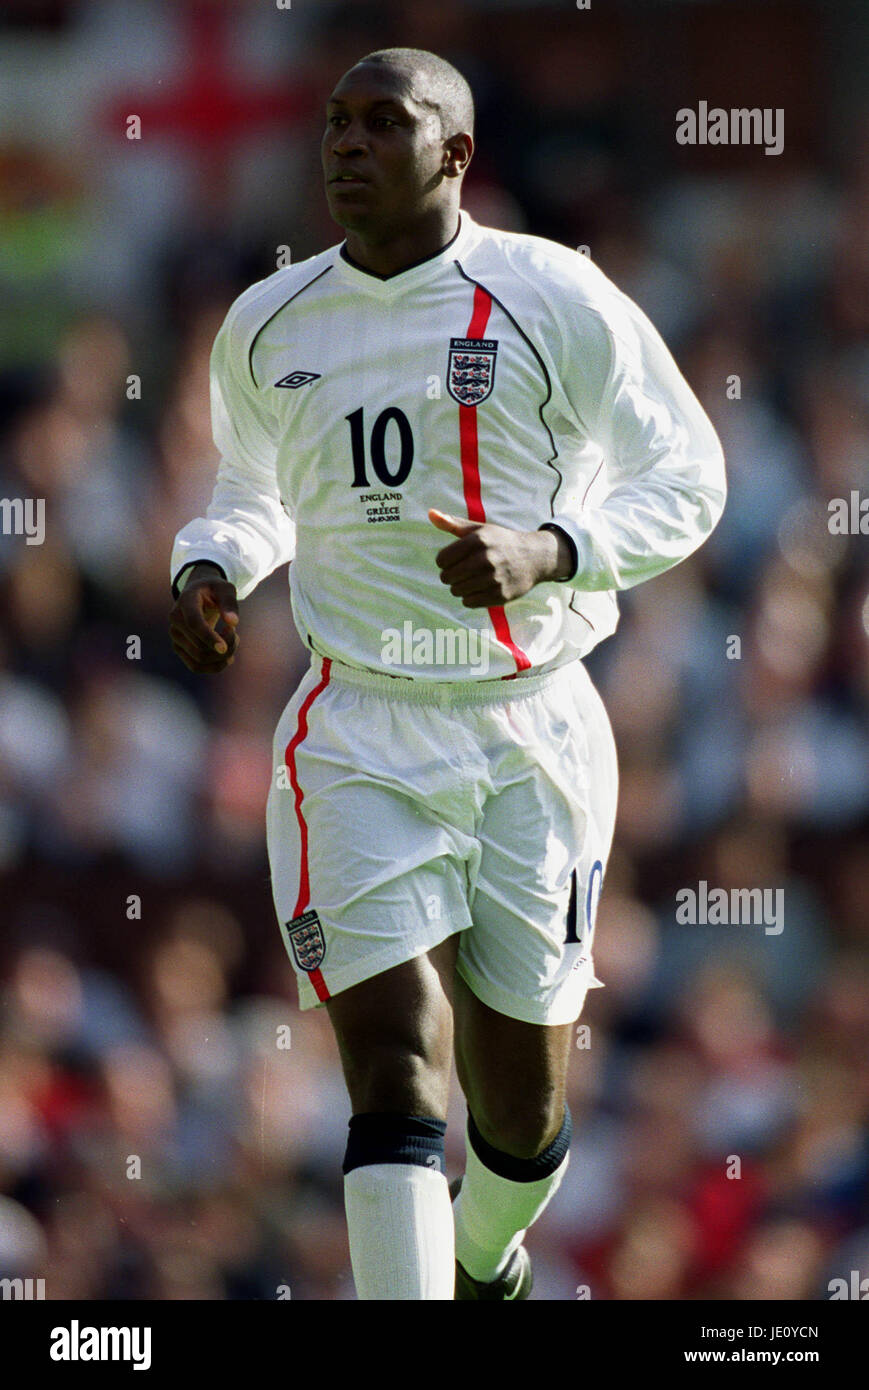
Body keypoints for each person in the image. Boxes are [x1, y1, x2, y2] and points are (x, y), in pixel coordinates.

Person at [168, 46, 726, 1300]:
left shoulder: (554, 296)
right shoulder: (266, 322)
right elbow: (252, 493)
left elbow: (690, 479)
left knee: (518, 1113)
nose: (346, 145)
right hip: (355, 725)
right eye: (333, 123)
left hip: (532, 727)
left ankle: (485, 1258)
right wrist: (212, 565)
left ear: (456, 154)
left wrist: (552, 550)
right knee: (392, 1067)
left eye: (383, 122)